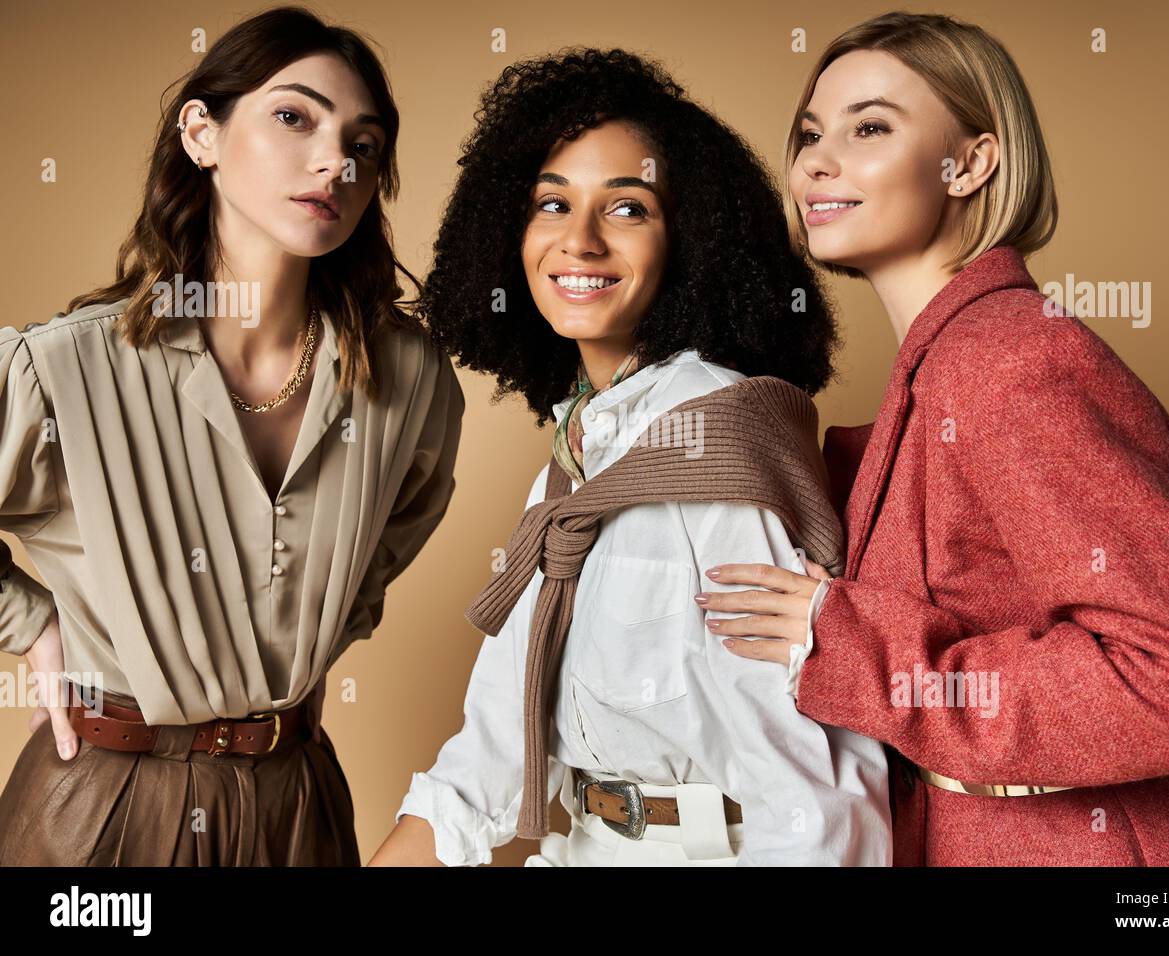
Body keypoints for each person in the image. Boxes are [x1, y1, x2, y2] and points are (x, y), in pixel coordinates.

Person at [703, 11, 1169, 865]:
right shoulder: (942, 368)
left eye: (870, 127)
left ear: (969, 162)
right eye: (810, 133)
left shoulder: (1011, 359)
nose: (817, 159)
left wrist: (849, 642)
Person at [368, 49, 891, 866]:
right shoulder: (577, 464)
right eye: (552, 204)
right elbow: (485, 767)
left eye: (627, 209)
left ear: (691, 242)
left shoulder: (713, 443)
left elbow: (815, 800)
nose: (578, 241)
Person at [0, 6, 464, 865]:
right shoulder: (62, 370)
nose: (336, 160)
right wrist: (26, 621)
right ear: (201, 134)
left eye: (364, 144)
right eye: (295, 117)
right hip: (105, 808)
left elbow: (385, 543)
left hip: (299, 807)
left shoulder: (409, 379)